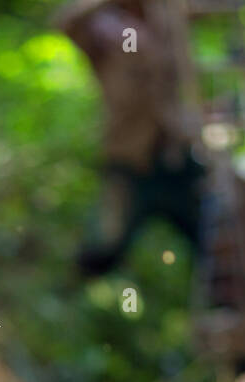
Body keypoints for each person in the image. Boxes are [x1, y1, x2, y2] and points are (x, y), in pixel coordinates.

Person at [56, 0, 206, 276]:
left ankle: (231, 301)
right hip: (129, 158)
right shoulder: (101, 27)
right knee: (104, 247)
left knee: (209, 234)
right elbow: (65, 22)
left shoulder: (166, 19)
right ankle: (67, 295)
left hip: (174, 153)